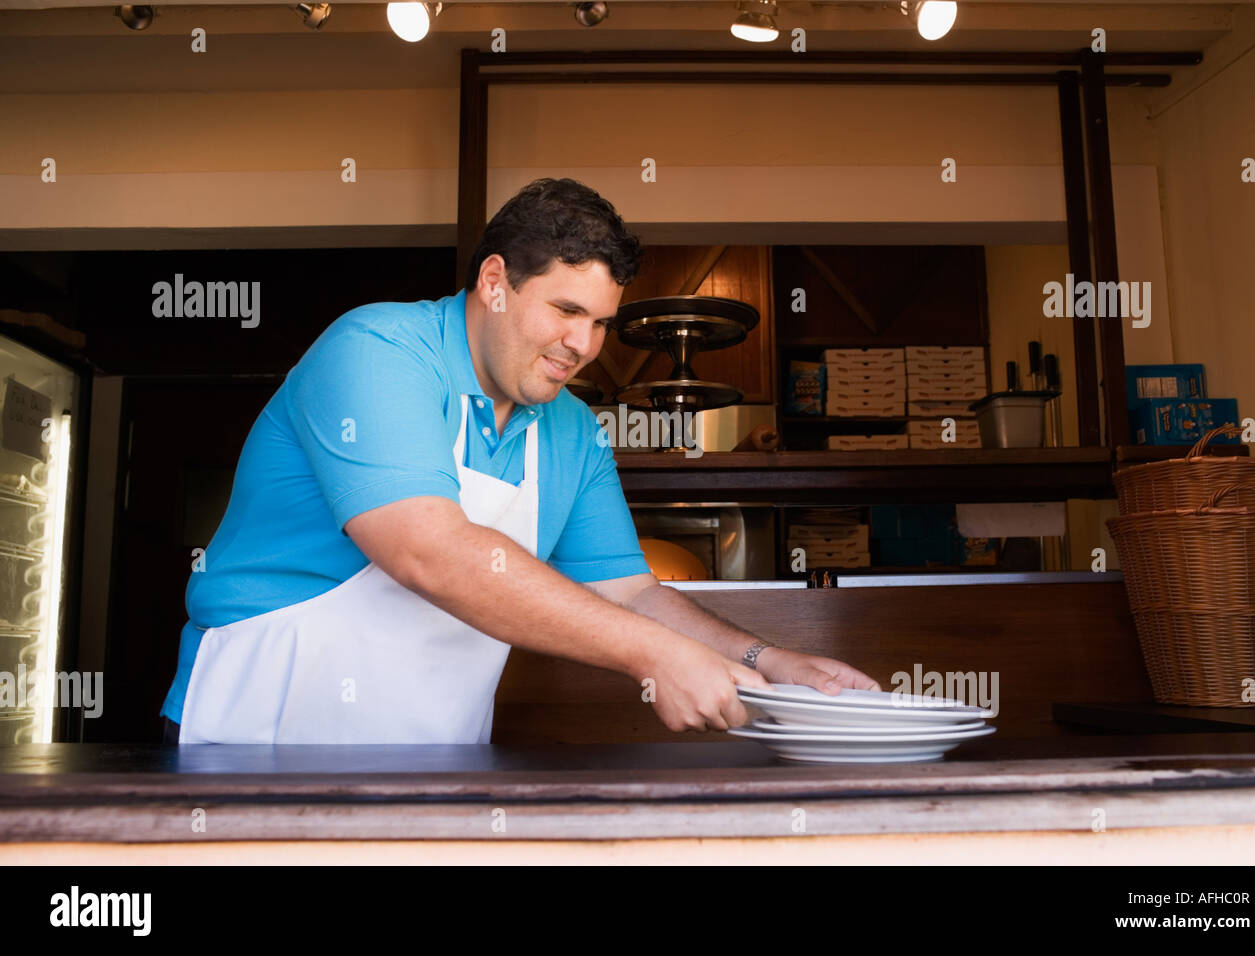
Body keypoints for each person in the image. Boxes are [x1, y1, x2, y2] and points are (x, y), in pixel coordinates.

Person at [160, 177, 879, 744]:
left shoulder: (570, 429)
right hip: (260, 732)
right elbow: (428, 552)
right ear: (495, 281)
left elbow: (629, 592)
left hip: (436, 755)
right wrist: (652, 656)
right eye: (565, 311)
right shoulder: (376, 352)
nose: (585, 345)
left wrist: (771, 665)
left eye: (600, 323)